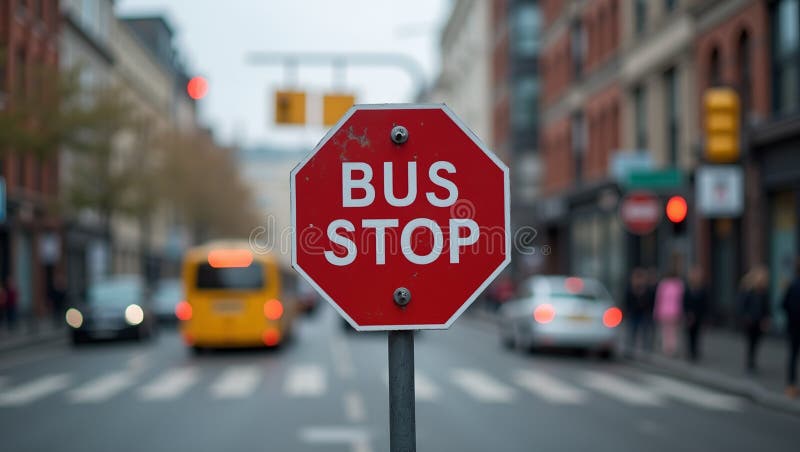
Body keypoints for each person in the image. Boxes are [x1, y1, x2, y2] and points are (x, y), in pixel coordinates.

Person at [739, 266, 771, 374]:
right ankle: (750, 363)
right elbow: (742, 305)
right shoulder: (749, 291)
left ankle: (752, 362)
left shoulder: (763, 293)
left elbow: (766, 307)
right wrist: (746, 317)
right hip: (750, 322)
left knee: (756, 343)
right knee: (751, 342)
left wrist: (766, 319)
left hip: (759, 322)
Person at [654, 268, 684, 357]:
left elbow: (659, 299)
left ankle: (667, 348)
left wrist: (656, 311)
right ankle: (672, 348)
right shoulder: (679, 285)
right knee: (673, 331)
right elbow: (681, 300)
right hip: (675, 311)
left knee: (666, 331)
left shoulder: (663, 285)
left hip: (664, 311)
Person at [624, 267, 654, 357]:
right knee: (632, 332)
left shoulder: (646, 290)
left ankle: (646, 351)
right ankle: (630, 350)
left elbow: (650, 301)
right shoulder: (630, 289)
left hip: (644, 314)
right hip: (633, 314)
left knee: (645, 332)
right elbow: (627, 301)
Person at [782, 259, 800, 399]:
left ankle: (791, 385)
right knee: (793, 356)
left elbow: (783, 304)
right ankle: (791, 386)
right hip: (795, 327)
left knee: (793, 356)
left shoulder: (792, 285)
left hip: (793, 327)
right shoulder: (793, 285)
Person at [683, 266, 709, 363]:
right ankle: (690, 351)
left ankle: (695, 352)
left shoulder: (703, 288)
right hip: (689, 316)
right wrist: (687, 313)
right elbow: (684, 302)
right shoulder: (687, 288)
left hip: (699, 315)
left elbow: (705, 303)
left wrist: (705, 315)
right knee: (690, 334)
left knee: (697, 334)